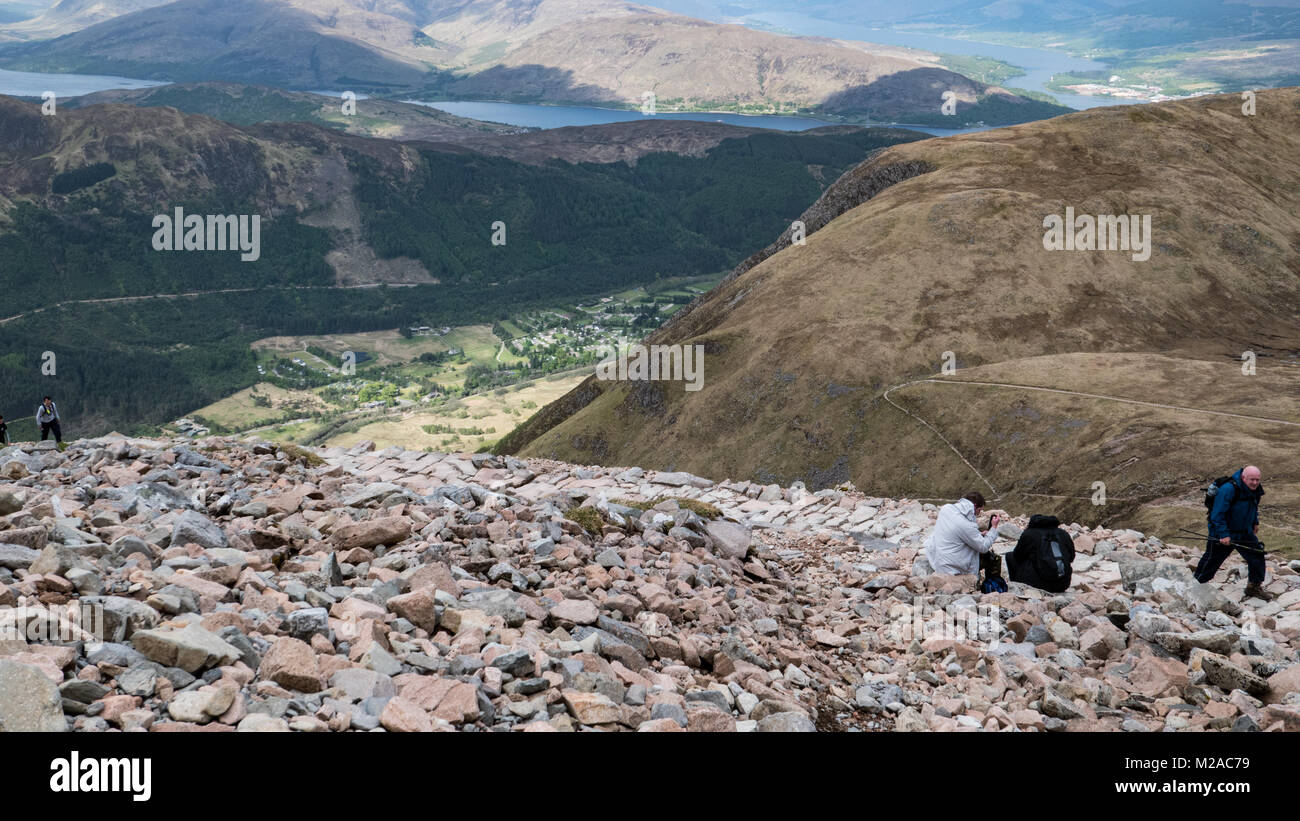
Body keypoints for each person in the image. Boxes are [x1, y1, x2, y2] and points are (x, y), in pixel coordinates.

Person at [1194, 465, 1270, 600]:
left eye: (1257, 480)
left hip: (1244, 531)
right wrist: (1223, 534)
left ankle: (1253, 587)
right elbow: (1217, 515)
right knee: (1211, 561)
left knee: (1257, 556)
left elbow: (1253, 506)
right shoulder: (1228, 489)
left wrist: (1255, 522)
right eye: (1252, 480)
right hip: (1222, 533)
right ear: (1243, 477)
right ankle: (1194, 586)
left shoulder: (1255, 489)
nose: (1255, 483)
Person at [925, 491, 1000, 576]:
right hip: (953, 568)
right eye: (979, 510)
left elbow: (956, 533)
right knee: (993, 558)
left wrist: (978, 535)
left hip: (939, 560)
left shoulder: (946, 508)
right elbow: (983, 547)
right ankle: (992, 586)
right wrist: (993, 528)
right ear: (974, 506)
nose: (978, 514)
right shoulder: (966, 524)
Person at [1006, 514, 1075, 592]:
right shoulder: (1063, 533)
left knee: (1009, 556)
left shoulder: (1029, 534)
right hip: (1063, 584)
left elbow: (1017, 556)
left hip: (1036, 585)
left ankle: (1018, 587)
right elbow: (1072, 557)